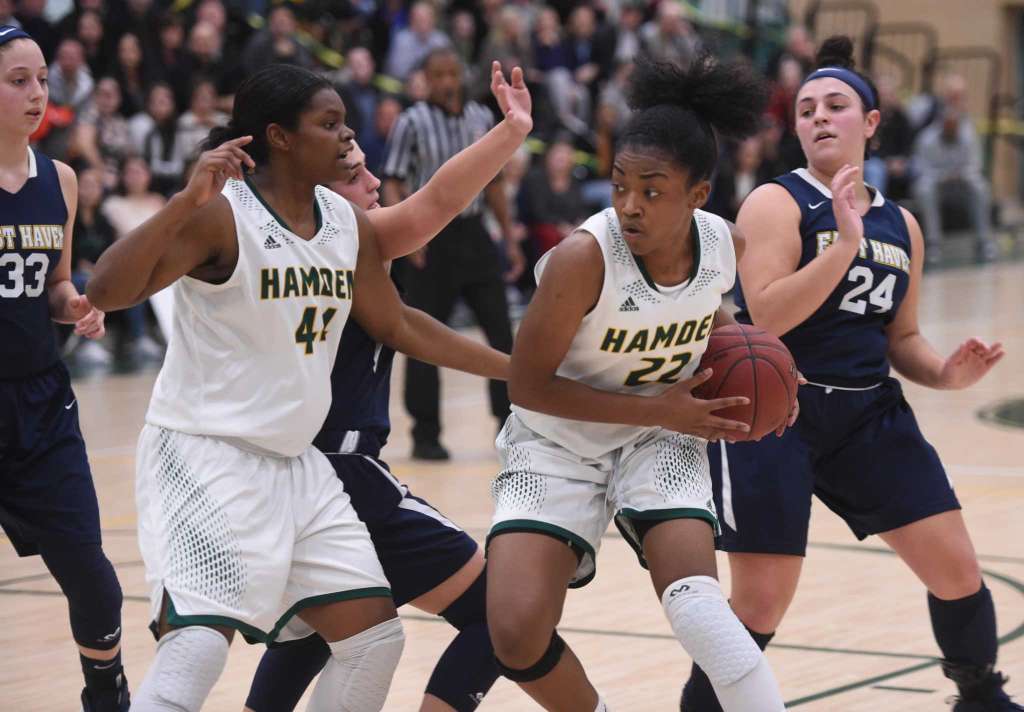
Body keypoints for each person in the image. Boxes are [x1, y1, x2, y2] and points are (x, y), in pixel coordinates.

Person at [87, 60, 532, 712]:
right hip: (206, 455)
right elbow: (107, 290)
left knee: (375, 639)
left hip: (297, 467)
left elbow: (399, 323)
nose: (346, 139)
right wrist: (184, 202)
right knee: (198, 650)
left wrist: (515, 370)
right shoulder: (222, 215)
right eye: (329, 125)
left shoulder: (343, 224)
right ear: (281, 137)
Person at [682, 36, 1016, 712]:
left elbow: (904, 336)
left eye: (836, 105)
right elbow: (766, 317)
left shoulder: (904, 224)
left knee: (956, 571)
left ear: (870, 122)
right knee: (761, 605)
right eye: (806, 109)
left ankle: (978, 695)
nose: (818, 118)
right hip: (777, 412)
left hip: (869, 413)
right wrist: (842, 246)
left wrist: (948, 375)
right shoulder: (776, 204)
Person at [485, 54, 786, 712]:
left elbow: (711, 316)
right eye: (620, 184)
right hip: (557, 442)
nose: (629, 205)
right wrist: (660, 405)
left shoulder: (724, 245)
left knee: (701, 611)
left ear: (697, 196)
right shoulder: (583, 257)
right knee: (513, 633)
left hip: (658, 435)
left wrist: (768, 371)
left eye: (652, 190)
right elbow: (526, 386)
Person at [244, 141, 527, 712]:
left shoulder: (334, 268)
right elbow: (438, 201)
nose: (375, 183)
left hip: (293, 478)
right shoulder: (332, 257)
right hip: (347, 479)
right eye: (355, 175)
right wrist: (511, 129)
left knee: (324, 625)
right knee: (504, 612)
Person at [0, 26, 129, 712]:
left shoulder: (62, 180)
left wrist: (76, 303)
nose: (36, 93)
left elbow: (52, 283)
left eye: (42, 79)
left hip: (43, 403)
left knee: (96, 580)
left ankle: (106, 695)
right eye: (17, 80)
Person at [383, 47, 525, 461]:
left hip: (474, 232)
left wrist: (510, 238)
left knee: (501, 332)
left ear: (461, 76)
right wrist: (407, 234)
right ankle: (426, 433)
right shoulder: (411, 122)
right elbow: (393, 180)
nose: (446, 82)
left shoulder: (482, 118)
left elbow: (495, 183)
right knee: (424, 337)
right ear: (425, 79)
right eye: (437, 75)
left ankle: (511, 427)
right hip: (430, 235)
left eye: (451, 73)